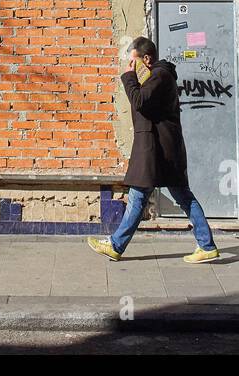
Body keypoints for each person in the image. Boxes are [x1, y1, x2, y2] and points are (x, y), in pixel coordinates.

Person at [87, 36, 220, 264]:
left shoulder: (160, 76)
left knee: (179, 196)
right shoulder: (156, 76)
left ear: (146, 59)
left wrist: (129, 78)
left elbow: (139, 101)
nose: (131, 67)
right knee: (141, 197)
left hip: (161, 151)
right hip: (156, 149)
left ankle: (206, 245)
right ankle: (116, 245)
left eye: (134, 62)